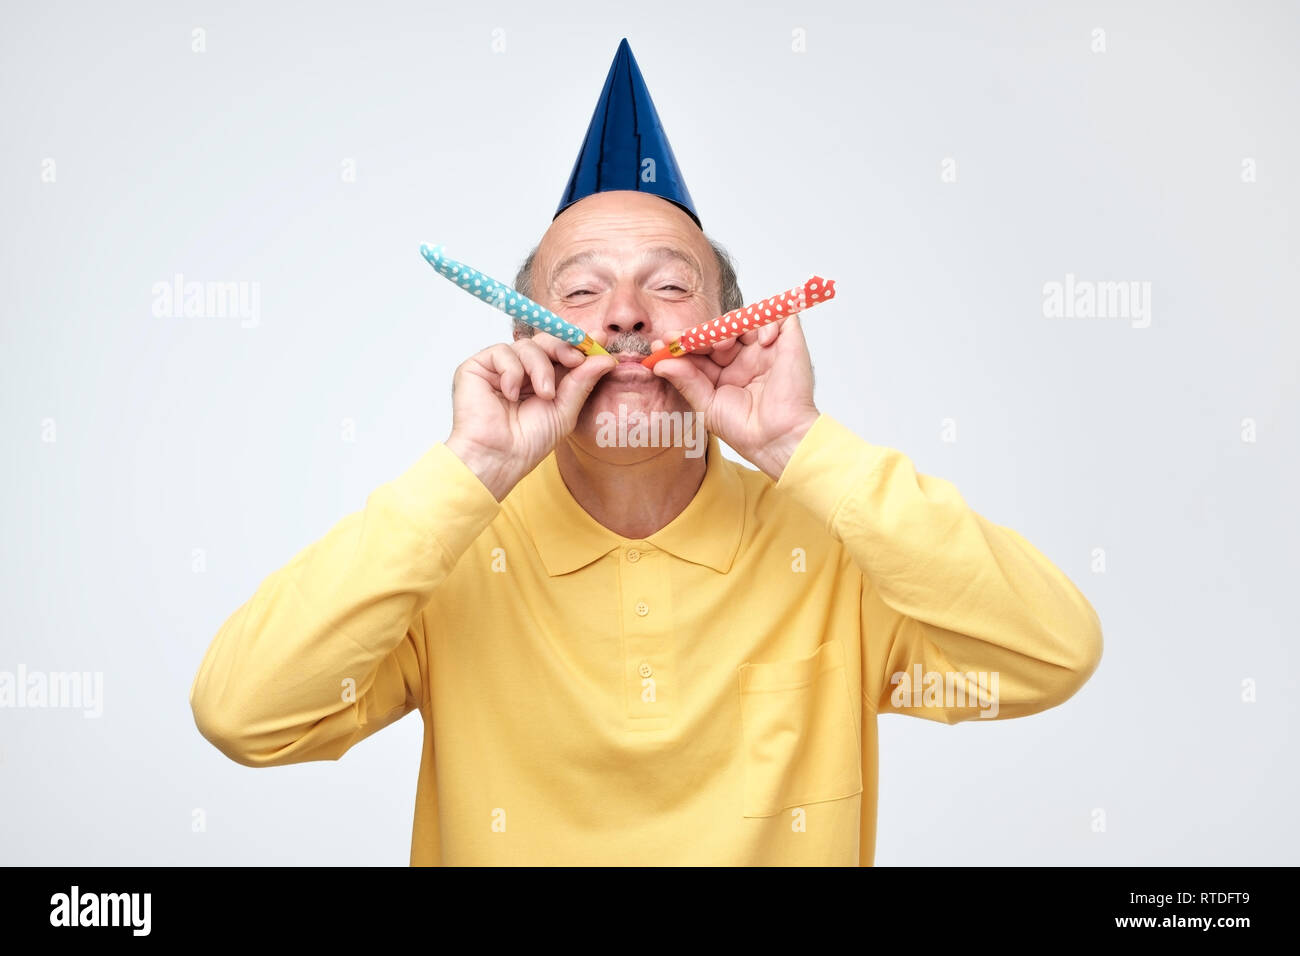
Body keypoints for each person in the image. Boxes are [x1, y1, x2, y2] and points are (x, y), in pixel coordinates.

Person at [190, 40, 1102, 866]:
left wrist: (799, 442)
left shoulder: (836, 545)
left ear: (725, 330)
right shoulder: (448, 553)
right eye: (581, 291)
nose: (626, 316)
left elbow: (1050, 655)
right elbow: (246, 718)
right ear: (529, 340)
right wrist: (468, 471)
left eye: (669, 285)